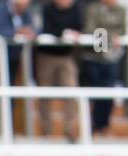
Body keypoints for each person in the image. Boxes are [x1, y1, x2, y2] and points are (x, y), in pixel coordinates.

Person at [37, 0, 85, 141]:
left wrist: (76, 34)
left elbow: (81, 27)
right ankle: (46, 131)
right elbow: (45, 29)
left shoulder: (77, 9)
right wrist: (63, 33)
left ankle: (70, 130)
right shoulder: (47, 9)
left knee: (71, 91)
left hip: (66, 56)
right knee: (44, 93)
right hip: (47, 55)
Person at [81, 0, 128, 135]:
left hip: (112, 57)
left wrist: (108, 34)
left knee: (109, 92)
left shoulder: (120, 10)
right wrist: (110, 35)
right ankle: (92, 127)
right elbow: (91, 29)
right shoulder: (93, 9)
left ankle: (103, 126)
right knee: (94, 92)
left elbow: (122, 30)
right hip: (94, 57)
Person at [0, 0, 39, 85]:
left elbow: (33, 28)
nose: (23, 8)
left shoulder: (25, 11)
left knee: (13, 82)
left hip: (17, 54)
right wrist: (16, 31)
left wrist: (30, 32)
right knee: (1, 82)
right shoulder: (2, 8)